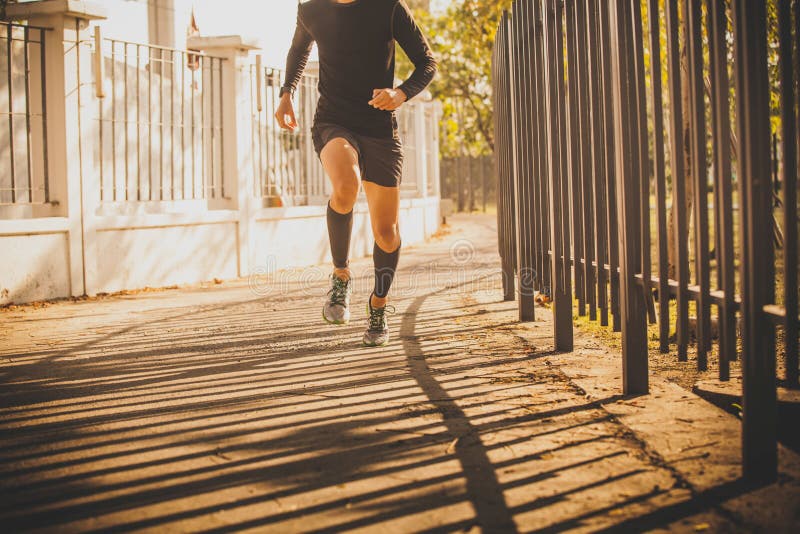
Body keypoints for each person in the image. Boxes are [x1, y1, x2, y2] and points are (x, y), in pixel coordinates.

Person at [275, 0, 437, 346]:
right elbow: (298, 50)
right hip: (333, 120)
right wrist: (286, 92)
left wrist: (400, 93)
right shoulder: (311, 9)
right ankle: (341, 276)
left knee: (387, 232)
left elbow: (427, 63)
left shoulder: (388, 7)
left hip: (379, 128)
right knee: (345, 186)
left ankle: (378, 305)